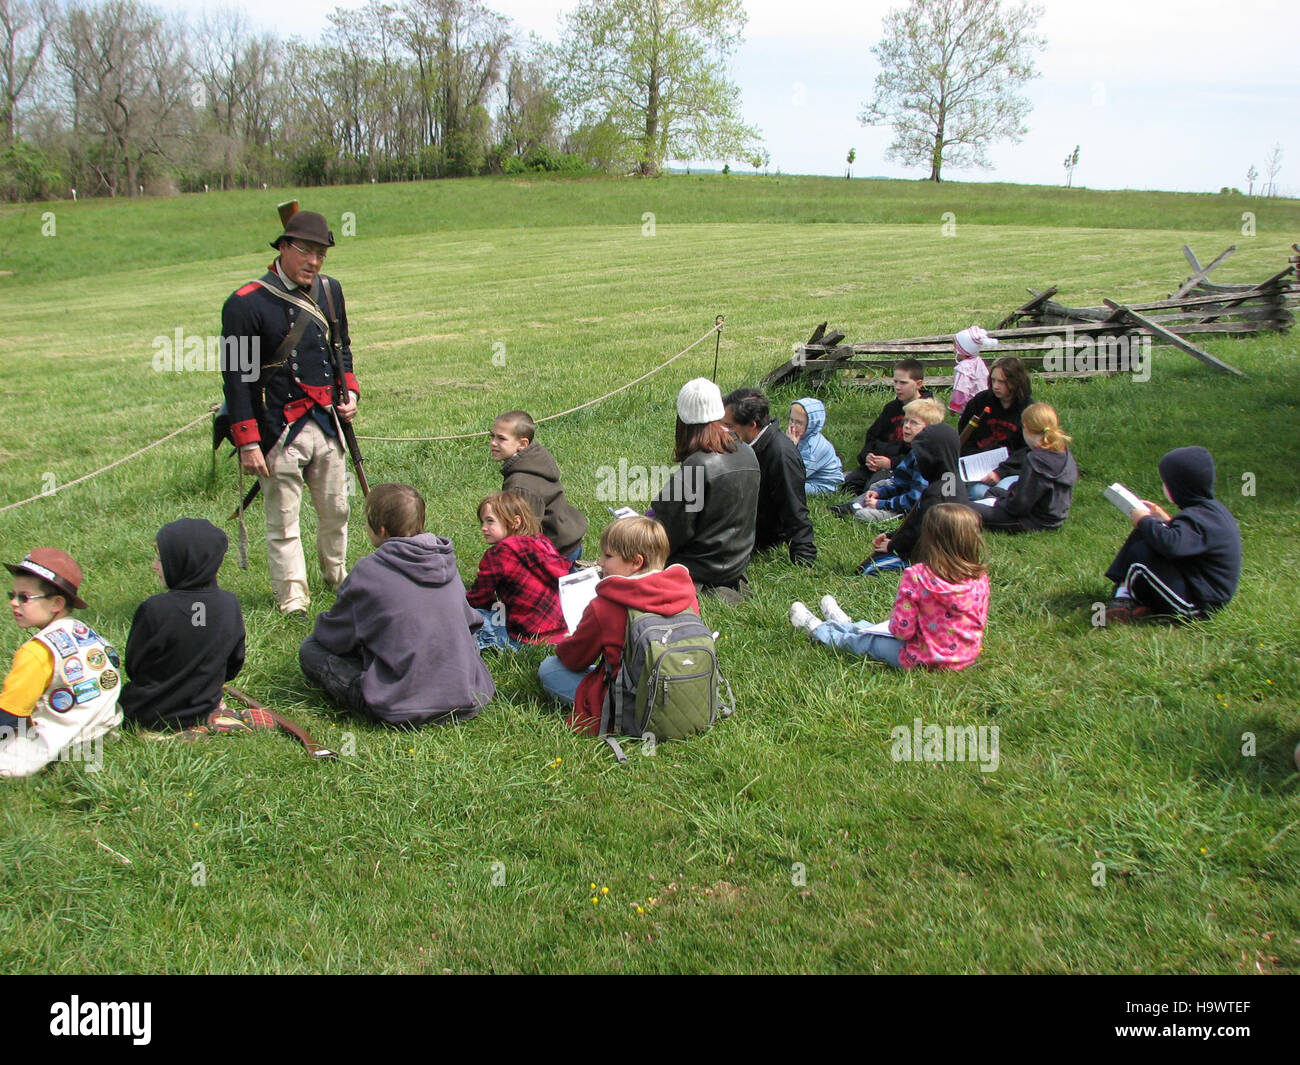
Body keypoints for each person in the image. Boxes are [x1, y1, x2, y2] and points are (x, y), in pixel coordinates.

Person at [221, 204, 359, 616]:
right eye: (305, 251)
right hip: (276, 425)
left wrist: (349, 392)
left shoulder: (330, 291)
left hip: (327, 422)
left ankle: (338, 578)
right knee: (283, 520)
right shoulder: (244, 303)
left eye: (321, 253)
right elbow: (237, 377)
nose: (313, 261)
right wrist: (247, 441)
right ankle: (293, 597)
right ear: (283, 247)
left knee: (337, 509)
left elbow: (342, 349)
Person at [299, 483, 494, 725]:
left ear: (380, 529)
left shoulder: (369, 572)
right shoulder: (445, 560)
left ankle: (399, 690)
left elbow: (334, 637)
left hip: (401, 706)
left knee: (310, 649)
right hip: (470, 694)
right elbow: (472, 624)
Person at [538, 516, 699, 734]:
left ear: (636, 562)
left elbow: (574, 659)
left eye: (608, 556)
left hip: (631, 704)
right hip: (687, 692)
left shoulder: (605, 605)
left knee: (549, 668)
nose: (600, 562)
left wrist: (568, 641)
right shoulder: (686, 594)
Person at [791, 503, 988, 671]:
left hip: (920, 658)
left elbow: (902, 631)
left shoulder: (918, 577)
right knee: (871, 632)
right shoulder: (980, 579)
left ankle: (819, 630)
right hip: (962, 656)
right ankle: (847, 625)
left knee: (868, 642)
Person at [120, 519, 251, 733]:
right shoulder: (229, 604)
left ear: (183, 561)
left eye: (161, 560)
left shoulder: (154, 609)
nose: (154, 566)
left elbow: (135, 666)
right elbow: (234, 664)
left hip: (147, 712)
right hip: (203, 708)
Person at [0, 549, 122, 777]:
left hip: (60, 742)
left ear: (56, 603)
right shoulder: (85, 633)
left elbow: (9, 714)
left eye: (24, 597)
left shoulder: (36, 652)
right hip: (102, 730)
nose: (13, 604)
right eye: (12, 595)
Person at [1103, 446, 1241, 623]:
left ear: (1179, 487)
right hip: (1194, 583)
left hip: (1198, 604)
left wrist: (1143, 520)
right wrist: (1164, 520)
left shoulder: (1199, 518)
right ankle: (1130, 597)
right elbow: (1186, 542)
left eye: (1166, 482)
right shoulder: (1208, 512)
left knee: (1141, 559)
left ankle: (1125, 597)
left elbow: (1171, 546)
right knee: (1145, 535)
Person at [652, 379, 760, 602]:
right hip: (737, 562)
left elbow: (669, 534)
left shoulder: (697, 466)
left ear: (682, 420)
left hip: (698, 568)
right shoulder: (749, 452)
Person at [858, 423, 969, 576]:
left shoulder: (936, 495)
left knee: (869, 569)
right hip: (939, 555)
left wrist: (893, 545)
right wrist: (892, 535)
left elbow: (919, 531)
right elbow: (914, 523)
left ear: (933, 458)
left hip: (932, 561)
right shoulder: (953, 481)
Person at [465, 490, 571, 650]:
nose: (483, 528)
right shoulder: (542, 543)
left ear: (515, 522)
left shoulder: (499, 554)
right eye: (482, 522)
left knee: (464, 618)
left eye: (490, 521)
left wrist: (491, 606)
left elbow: (478, 598)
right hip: (561, 633)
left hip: (525, 638)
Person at [722, 387, 815, 566]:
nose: (725, 431)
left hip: (758, 530)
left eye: (731, 426)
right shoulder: (746, 442)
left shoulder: (781, 455)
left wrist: (804, 554)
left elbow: (793, 506)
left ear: (752, 425)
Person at [491, 410, 588, 564]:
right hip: (569, 540)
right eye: (492, 436)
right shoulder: (533, 460)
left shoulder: (521, 485)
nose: (493, 443)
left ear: (523, 444)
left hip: (557, 550)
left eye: (501, 438)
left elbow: (526, 531)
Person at [831, 397, 946, 522]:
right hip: (901, 494)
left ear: (929, 428)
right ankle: (854, 506)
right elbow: (900, 482)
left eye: (914, 423)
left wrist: (881, 504)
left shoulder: (925, 458)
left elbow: (915, 499)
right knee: (879, 485)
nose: (906, 426)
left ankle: (861, 509)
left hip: (911, 508)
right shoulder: (916, 449)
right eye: (906, 421)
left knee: (863, 516)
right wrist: (880, 494)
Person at [973, 403, 1078, 533]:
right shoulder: (1063, 451)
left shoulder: (1035, 459)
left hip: (1032, 521)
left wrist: (999, 504)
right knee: (994, 492)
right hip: (1054, 517)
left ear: (1026, 428)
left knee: (968, 508)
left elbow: (1019, 506)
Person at [843, 360, 933, 494]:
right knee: (849, 485)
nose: (897, 387)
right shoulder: (891, 408)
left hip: (900, 468)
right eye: (895, 382)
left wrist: (892, 463)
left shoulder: (928, 412)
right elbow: (872, 437)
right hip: (877, 463)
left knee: (874, 487)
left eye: (903, 383)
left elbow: (923, 455)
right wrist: (867, 456)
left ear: (918, 384)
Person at [957, 355, 1033, 501]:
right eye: (993, 380)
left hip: (1011, 470)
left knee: (1002, 492)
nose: (996, 386)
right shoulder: (979, 402)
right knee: (978, 492)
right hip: (979, 469)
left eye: (1002, 381)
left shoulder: (1027, 408)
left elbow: (1028, 450)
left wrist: (1001, 472)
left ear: (1015, 382)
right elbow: (964, 436)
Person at [786, 397, 843, 494]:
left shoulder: (812, 448)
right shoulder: (799, 436)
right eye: (791, 420)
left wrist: (790, 447)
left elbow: (797, 474)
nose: (793, 426)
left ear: (812, 425)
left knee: (786, 487)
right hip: (809, 476)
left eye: (799, 422)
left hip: (822, 484)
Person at [949, 326, 998, 414]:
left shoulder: (964, 368)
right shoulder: (978, 361)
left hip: (971, 406)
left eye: (956, 348)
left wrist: (955, 407)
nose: (954, 351)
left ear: (963, 351)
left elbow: (961, 389)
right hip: (984, 402)